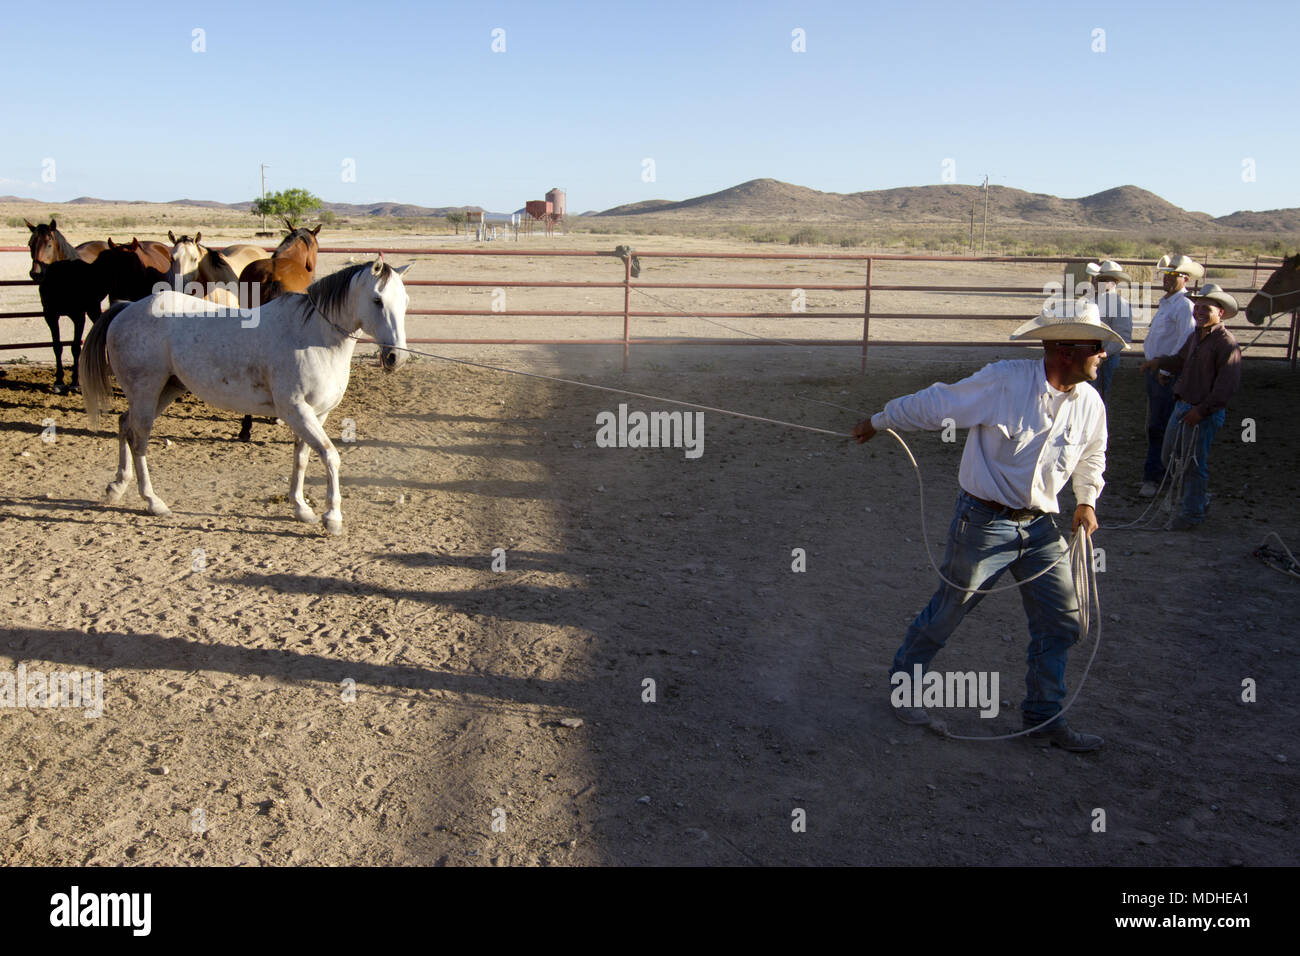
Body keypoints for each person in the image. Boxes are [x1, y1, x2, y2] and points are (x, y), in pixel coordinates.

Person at [852, 298, 1122, 752]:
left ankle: (1042, 717)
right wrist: (881, 420)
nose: (1104, 355)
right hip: (983, 523)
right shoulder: (1003, 382)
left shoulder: (1090, 403)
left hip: (1040, 529)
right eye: (1097, 346)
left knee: (1061, 621)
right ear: (1065, 350)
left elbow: (1093, 453)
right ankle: (905, 688)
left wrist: (1086, 500)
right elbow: (939, 404)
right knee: (950, 608)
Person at [1139, 284, 1242, 530]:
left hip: (1201, 412)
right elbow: (1180, 361)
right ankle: (1196, 499)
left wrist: (1202, 410)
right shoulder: (1196, 336)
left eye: (1206, 308)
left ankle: (1190, 514)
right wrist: (1159, 362)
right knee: (1170, 456)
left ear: (1221, 313)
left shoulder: (1227, 344)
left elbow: (1225, 388)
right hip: (1183, 405)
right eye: (1198, 307)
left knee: (1193, 463)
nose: (1199, 312)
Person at [1140, 254, 1201, 497]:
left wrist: (1166, 369)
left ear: (1185, 278)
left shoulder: (1184, 306)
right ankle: (1156, 473)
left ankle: (1155, 476)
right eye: (1167, 274)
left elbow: (1185, 341)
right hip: (1156, 370)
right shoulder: (1169, 303)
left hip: (1165, 373)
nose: (1168, 278)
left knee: (1160, 424)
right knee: (1156, 423)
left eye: (1174, 275)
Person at [1084, 259, 1133, 404]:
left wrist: (1105, 352)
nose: (1095, 281)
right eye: (1096, 278)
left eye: (1101, 279)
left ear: (1113, 282)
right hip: (1091, 353)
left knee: (1099, 395)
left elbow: (1122, 336)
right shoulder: (1092, 300)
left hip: (1105, 357)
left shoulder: (1120, 304)